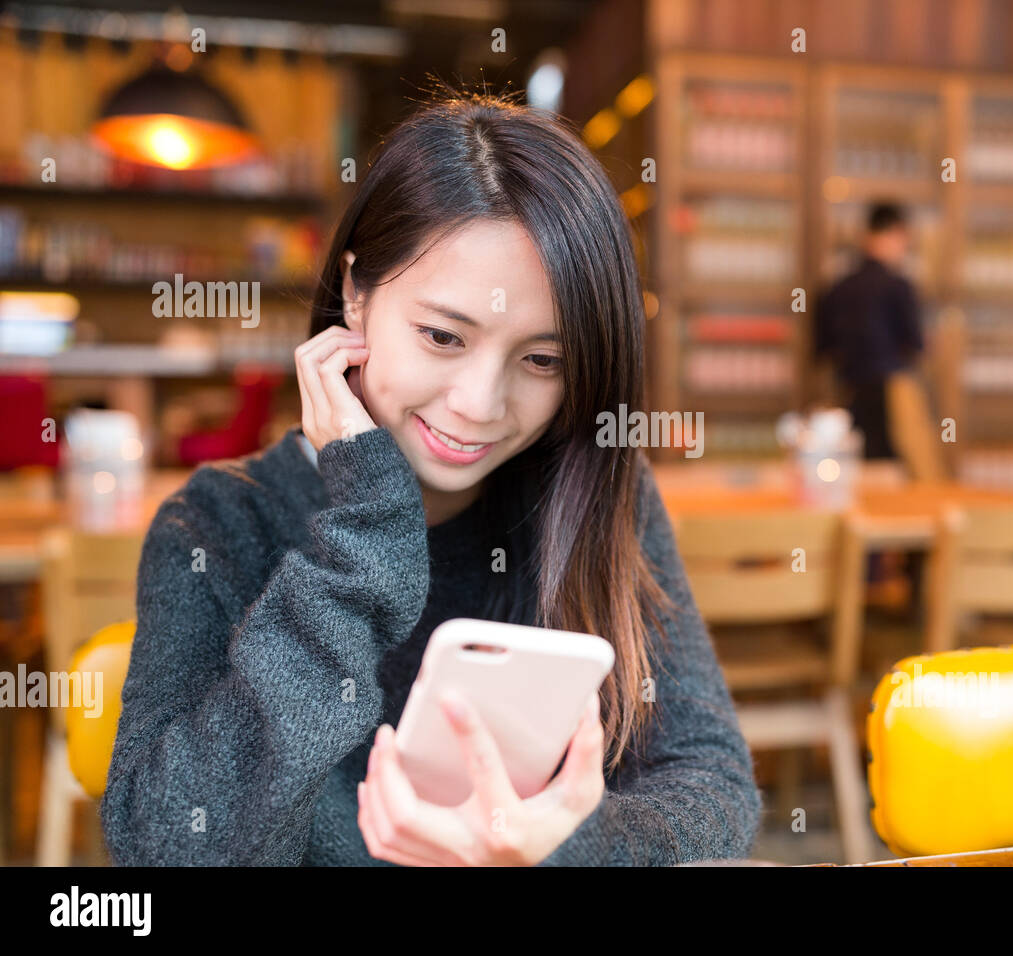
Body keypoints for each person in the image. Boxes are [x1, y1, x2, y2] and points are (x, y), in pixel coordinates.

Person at [101, 88, 762, 866]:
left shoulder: (590, 494)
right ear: (356, 294)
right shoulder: (218, 526)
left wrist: (568, 847)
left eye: (542, 360)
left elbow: (715, 783)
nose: (479, 405)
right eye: (443, 336)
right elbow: (165, 849)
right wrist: (364, 542)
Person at [812, 201, 925, 460]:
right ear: (896, 233)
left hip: (845, 396)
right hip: (891, 399)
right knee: (894, 471)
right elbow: (915, 346)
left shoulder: (835, 288)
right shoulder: (898, 286)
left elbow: (822, 350)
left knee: (850, 465)